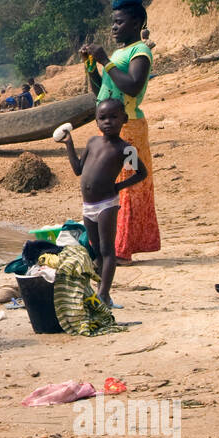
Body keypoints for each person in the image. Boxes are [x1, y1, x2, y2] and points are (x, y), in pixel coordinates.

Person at [83, 0, 161, 261]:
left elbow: (133, 85)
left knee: (127, 185)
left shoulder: (140, 52)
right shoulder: (120, 52)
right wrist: (92, 69)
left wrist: (105, 60)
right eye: (113, 22)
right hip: (112, 128)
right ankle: (115, 246)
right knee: (112, 183)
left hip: (129, 129)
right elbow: (102, 92)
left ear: (137, 22)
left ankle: (122, 249)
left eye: (120, 22)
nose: (114, 27)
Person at [56, 98, 148, 308]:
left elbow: (141, 173)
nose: (108, 122)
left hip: (107, 204)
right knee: (95, 249)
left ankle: (104, 295)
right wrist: (69, 144)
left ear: (124, 119)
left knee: (108, 251)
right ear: (96, 122)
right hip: (88, 206)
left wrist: (118, 186)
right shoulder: (92, 142)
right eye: (102, 118)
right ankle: (100, 290)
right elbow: (78, 169)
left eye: (113, 117)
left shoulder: (125, 149)